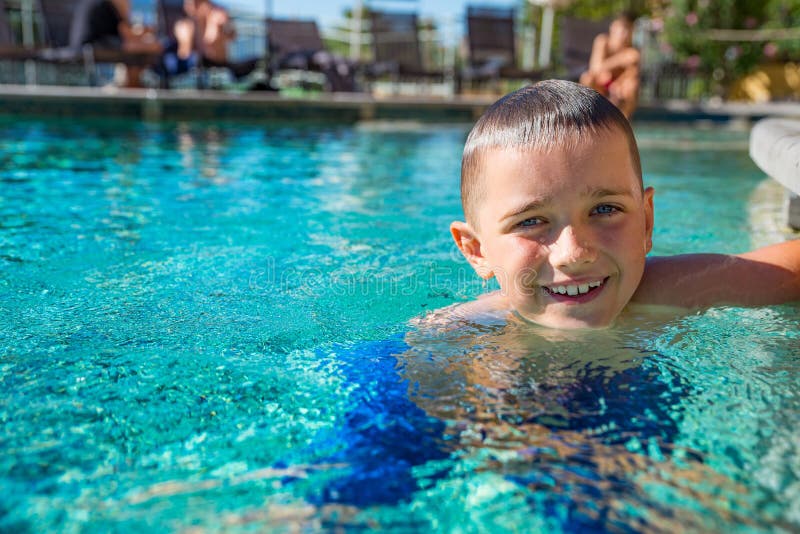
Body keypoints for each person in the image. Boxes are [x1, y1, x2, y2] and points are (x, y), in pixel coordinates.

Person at [443, 79, 800, 331]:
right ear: (476, 250)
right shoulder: (459, 338)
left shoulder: (678, 288)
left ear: (646, 222)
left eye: (604, 210)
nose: (574, 253)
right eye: (530, 221)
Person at [82, 0, 165, 87]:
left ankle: (131, 86)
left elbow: (127, 30)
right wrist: (148, 35)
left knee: (147, 47)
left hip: (96, 43)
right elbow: (128, 29)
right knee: (142, 49)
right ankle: (131, 87)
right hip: (92, 45)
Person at [579, 12, 640, 118]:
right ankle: (587, 115)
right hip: (601, 84)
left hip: (619, 86)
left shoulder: (633, 51)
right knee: (587, 78)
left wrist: (617, 84)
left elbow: (632, 75)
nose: (624, 35)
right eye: (621, 30)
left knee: (632, 86)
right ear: (613, 29)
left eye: (627, 30)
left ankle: (625, 120)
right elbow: (595, 68)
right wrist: (620, 59)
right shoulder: (603, 41)